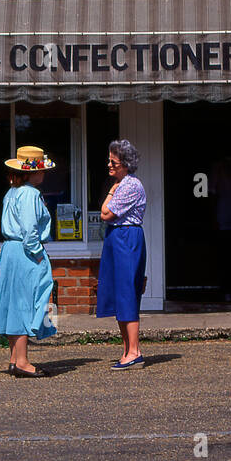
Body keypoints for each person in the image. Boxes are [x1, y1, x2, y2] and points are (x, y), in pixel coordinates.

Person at [0, 145, 57, 377]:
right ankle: (22, 361)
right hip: (25, 252)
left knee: (14, 303)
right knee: (27, 302)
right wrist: (39, 255)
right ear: (31, 172)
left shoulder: (12, 192)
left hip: (10, 251)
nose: (44, 173)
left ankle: (15, 357)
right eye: (40, 169)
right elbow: (30, 230)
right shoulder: (30, 193)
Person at [96, 138, 147, 370]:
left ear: (125, 163)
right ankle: (127, 349)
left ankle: (134, 351)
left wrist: (110, 191)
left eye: (113, 162)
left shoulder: (130, 185)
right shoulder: (122, 184)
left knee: (126, 292)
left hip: (127, 238)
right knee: (118, 293)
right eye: (109, 161)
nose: (109, 165)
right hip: (117, 239)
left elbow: (106, 214)